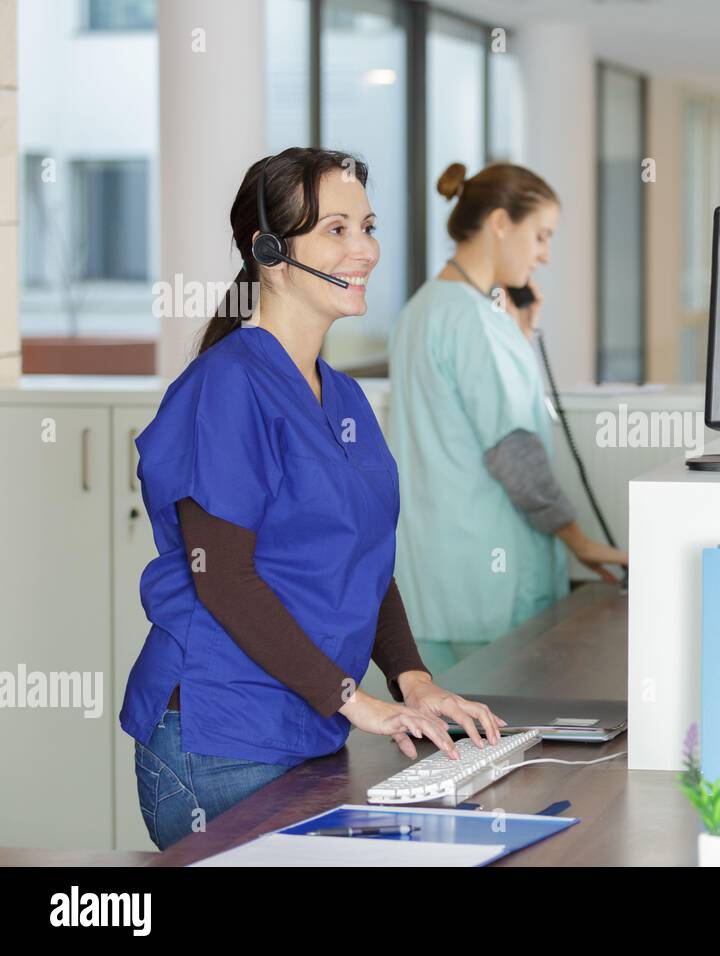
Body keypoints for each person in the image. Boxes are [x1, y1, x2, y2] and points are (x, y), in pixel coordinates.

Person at [120, 147, 504, 852]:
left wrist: (413, 680)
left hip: (305, 724)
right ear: (269, 251)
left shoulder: (344, 393)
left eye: (368, 226)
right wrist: (356, 703)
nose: (365, 250)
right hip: (221, 733)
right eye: (336, 229)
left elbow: (364, 559)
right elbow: (224, 578)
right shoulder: (228, 386)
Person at [388, 162, 628, 672]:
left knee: (449, 748)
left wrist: (519, 334)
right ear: (500, 223)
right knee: (504, 741)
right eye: (540, 236)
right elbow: (513, 453)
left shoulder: (422, 310)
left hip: (436, 586)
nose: (544, 254)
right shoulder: (474, 321)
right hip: (488, 590)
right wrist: (579, 542)